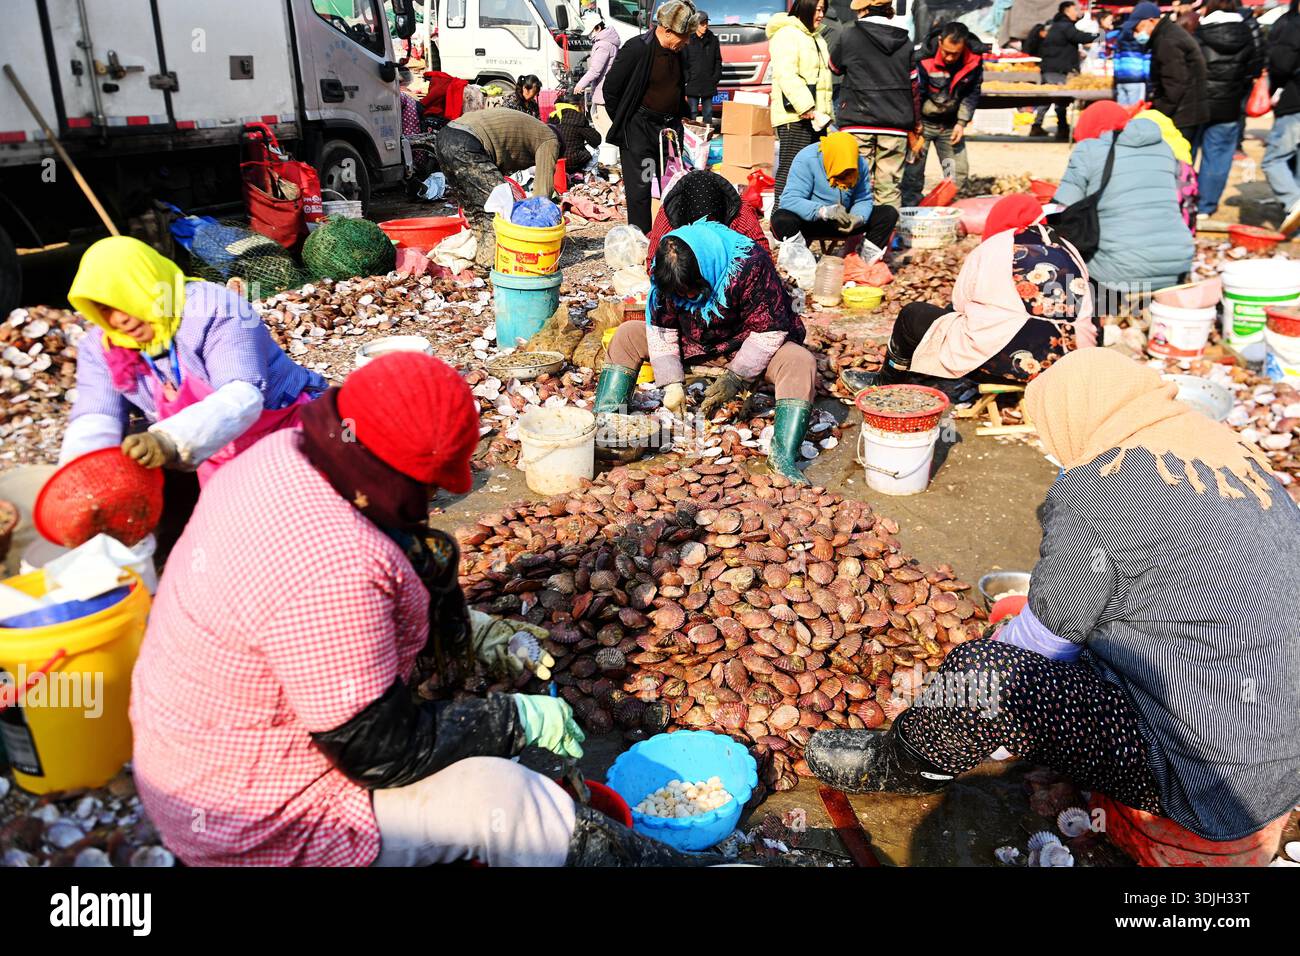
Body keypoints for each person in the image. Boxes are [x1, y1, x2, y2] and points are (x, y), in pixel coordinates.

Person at [130, 352, 709, 867]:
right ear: (394, 472)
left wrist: (469, 630)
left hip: (205, 734)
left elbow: (400, 550)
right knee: (507, 798)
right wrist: (514, 721)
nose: (435, 498)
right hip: (248, 807)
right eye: (430, 484)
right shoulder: (336, 565)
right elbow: (376, 751)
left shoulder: (295, 449)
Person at [806, 347, 1300, 847]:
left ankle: (908, 764)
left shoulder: (1103, 486)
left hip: (1209, 777)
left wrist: (959, 696)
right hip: (1281, 742)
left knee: (986, 676)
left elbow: (1042, 642)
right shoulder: (1229, 455)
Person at [61, 237, 327, 487]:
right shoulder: (102, 345)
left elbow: (242, 394)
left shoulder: (213, 307)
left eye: (126, 302)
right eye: (105, 308)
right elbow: (96, 417)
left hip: (286, 429)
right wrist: (83, 477)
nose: (119, 320)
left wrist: (169, 440)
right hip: (213, 451)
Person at [594, 221, 817, 484]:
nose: (688, 296)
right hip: (692, 345)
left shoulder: (749, 264)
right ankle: (606, 426)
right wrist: (672, 383)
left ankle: (782, 457)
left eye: (692, 289)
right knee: (628, 334)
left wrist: (736, 377)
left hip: (746, 346)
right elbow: (661, 328)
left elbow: (770, 329)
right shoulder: (663, 273)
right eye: (680, 293)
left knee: (800, 361)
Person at [866, 195, 1095, 395]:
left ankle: (886, 381)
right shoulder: (1069, 249)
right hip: (1067, 367)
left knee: (913, 314)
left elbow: (960, 304)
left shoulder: (997, 245)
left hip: (1001, 367)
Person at [1053, 102, 1193, 303]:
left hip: (1120, 271)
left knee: (1058, 277)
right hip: (1176, 262)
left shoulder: (1089, 149)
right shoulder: (1163, 148)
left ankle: (1100, 323)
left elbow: (1061, 207)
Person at [602, 0, 696, 233]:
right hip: (640, 131)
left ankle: (672, 237)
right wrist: (627, 121)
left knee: (672, 187)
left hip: (667, 133)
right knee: (641, 190)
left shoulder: (678, 53)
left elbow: (676, 87)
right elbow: (611, 90)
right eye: (683, 36)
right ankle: (641, 240)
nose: (686, 42)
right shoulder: (638, 49)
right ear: (665, 30)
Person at [434, 108, 562, 262]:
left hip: (445, 137)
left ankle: (480, 260)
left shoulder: (531, 132)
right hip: (467, 142)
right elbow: (541, 198)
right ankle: (489, 266)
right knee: (498, 211)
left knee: (476, 210)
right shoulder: (550, 139)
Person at [829, 0, 919, 210]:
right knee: (889, 188)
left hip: (857, 121)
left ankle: (854, 238)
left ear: (864, 10)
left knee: (855, 184)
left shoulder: (849, 35)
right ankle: (884, 240)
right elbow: (914, 86)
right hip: (895, 124)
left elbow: (834, 67)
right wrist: (916, 123)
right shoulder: (905, 40)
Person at [771, 130, 900, 254]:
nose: (845, 180)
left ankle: (863, 265)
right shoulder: (807, 158)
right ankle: (799, 263)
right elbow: (789, 199)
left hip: (843, 222)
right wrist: (823, 211)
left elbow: (863, 198)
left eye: (848, 175)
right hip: (812, 221)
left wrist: (858, 217)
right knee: (781, 218)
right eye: (840, 175)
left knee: (888, 213)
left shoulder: (859, 163)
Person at [901, 21, 983, 206]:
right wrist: (914, 126)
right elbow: (914, 95)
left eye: (955, 53)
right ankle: (911, 210)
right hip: (923, 125)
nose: (949, 58)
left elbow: (972, 92)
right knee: (912, 173)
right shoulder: (923, 58)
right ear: (939, 41)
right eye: (946, 52)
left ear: (964, 47)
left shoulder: (974, 60)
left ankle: (948, 208)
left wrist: (961, 122)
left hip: (950, 125)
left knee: (957, 172)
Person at [767, 0, 834, 201]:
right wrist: (807, 107)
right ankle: (781, 218)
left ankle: (805, 219)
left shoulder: (816, 37)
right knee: (791, 168)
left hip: (816, 117)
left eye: (823, 9)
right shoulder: (787, 34)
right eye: (817, 9)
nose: (821, 14)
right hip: (796, 116)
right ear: (805, 7)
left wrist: (821, 113)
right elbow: (786, 75)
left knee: (814, 171)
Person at [645, 169, 770, 270]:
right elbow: (653, 263)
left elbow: (763, 258)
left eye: (710, 222)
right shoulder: (670, 214)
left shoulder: (739, 213)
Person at [1129, 1, 1208, 145]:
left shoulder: (1168, 40)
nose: (1135, 34)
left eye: (1137, 28)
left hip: (1183, 114)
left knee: (1178, 162)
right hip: (1188, 109)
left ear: (1151, 21)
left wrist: (1158, 113)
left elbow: (1174, 83)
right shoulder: (1168, 34)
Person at [1031, 3, 1097, 139]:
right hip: (1057, 68)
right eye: (1075, 9)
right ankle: (1062, 130)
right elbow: (1081, 37)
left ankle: (1036, 127)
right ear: (1067, 11)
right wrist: (1101, 35)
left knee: (1046, 98)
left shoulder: (1055, 25)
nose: (1078, 12)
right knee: (1060, 100)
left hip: (1049, 67)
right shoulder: (1065, 26)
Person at [1264, 0, 1300, 234]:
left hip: (1295, 100)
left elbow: (1281, 63)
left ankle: (1294, 201)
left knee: (1273, 160)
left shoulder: (1293, 25)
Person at [574, 21, 623, 141]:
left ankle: (611, 156)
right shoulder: (610, 42)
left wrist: (580, 85)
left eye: (592, 31)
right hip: (609, 89)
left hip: (603, 90)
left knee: (604, 125)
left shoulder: (603, 45)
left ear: (598, 27)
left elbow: (595, 70)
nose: (591, 35)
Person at [683, 11, 723, 125]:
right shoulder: (688, 39)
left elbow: (718, 60)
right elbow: (683, 61)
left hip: (708, 82)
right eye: (702, 24)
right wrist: (687, 79)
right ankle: (690, 138)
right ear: (695, 24)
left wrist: (715, 77)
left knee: (708, 112)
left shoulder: (713, 39)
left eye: (706, 23)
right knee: (692, 112)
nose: (705, 26)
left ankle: (707, 138)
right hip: (692, 83)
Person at [549, 95, 601, 175]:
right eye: (582, 106)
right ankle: (589, 172)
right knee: (593, 148)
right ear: (577, 106)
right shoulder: (578, 117)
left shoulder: (553, 116)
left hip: (553, 160)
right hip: (571, 162)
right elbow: (596, 140)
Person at [1112, 15, 1153, 106]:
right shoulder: (1143, 41)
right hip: (1137, 80)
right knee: (1136, 111)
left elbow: (1116, 62)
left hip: (1121, 80)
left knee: (1122, 112)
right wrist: (1149, 82)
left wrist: (1117, 78)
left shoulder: (1119, 40)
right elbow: (1146, 63)